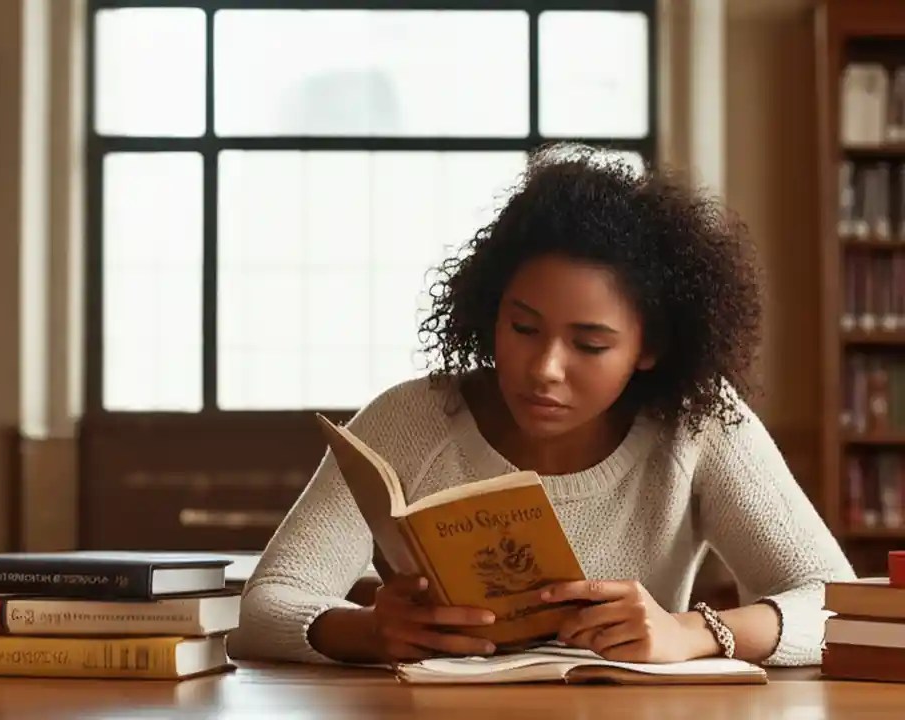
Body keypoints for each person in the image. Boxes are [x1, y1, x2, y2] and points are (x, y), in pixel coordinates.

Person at [226, 144, 855, 668]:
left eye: (589, 343)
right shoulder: (411, 418)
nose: (544, 369)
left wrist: (691, 632)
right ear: (490, 309)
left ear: (651, 347)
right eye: (523, 328)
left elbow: (839, 608)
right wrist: (366, 631)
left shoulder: (700, 423)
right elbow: (267, 604)